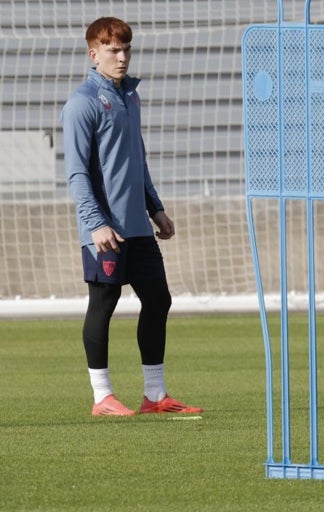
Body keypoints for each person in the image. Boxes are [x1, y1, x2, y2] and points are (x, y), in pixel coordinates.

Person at [62, 17, 202, 416]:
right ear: (94, 54)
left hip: (137, 226)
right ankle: (101, 397)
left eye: (126, 49)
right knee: (103, 304)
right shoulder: (82, 103)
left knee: (158, 300)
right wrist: (95, 223)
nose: (122, 57)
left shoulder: (130, 97)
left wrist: (155, 208)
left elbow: (135, 161)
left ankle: (154, 395)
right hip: (104, 228)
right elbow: (75, 172)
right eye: (113, 50)